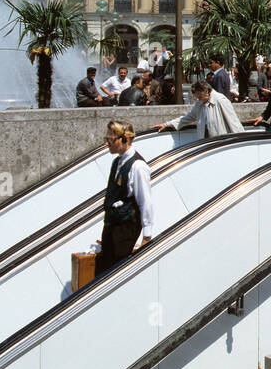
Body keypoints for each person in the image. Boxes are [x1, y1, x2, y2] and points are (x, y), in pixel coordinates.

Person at [93, 120, 155, 277]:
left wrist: (146, 235)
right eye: (106, 139)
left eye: (111, 140)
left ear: (125, 139)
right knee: (103, 270)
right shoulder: (117, 161)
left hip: (126, 228)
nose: (107, 144)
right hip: (113, 226)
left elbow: (145, 201)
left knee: (115, 272)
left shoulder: (138, 166)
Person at [159, 79, 245, 139]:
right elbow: (189, 117)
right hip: (206, 142)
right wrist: (168, 124)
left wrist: (240, 140)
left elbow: (233, 122)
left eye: (200, 97)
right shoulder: (200, 103)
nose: (199, 100)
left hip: (221, 143)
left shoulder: (220, 100)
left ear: (207, 91)